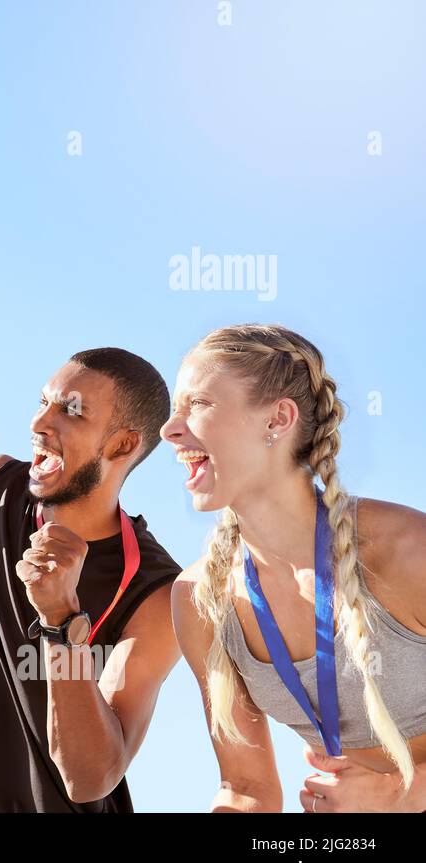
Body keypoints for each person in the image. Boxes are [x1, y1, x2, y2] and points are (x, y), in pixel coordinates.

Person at [0, 348, 183, 812]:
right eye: (43, 402)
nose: (39, 422)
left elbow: (90, 777)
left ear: (121, 446)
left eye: (70, 410)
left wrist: (61, 619)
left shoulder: (157, 590)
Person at [163, 324, 426, 812]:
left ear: (277, 419)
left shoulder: (407, 550)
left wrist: (402, 793)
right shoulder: (200, 597)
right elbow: (247, 790)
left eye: (197, 404)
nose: (170, 430)